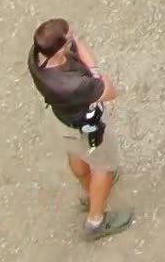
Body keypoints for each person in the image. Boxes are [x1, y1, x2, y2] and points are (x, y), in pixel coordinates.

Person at [28, 20, 134, 243]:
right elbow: (110, 91)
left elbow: (77, 44)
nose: (74, 38)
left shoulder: (37, 56)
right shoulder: (74, 85)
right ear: (59, 49)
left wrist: (72, 42)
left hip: (64, 122)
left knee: (77, 155)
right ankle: (96, 221)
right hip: (88, 126)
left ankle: (90, 194)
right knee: (104, 167)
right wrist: (95, 73)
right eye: (69, 38)